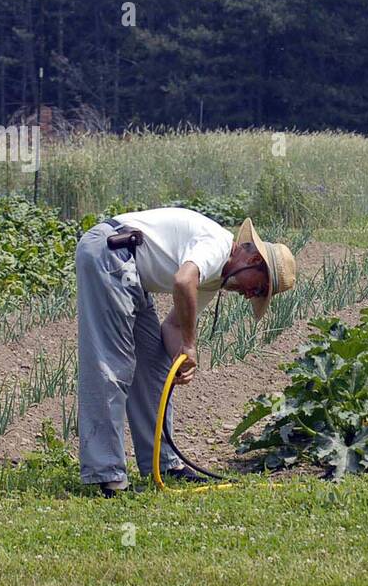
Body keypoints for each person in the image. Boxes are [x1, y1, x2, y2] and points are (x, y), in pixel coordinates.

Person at [75, 207, 295, 496]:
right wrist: (190, 344)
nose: (249, 296)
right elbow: (182, 280)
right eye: (259, 288)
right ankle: (107, 476)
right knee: (111, 367)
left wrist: (181, 358)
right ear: (253, 260)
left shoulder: (212, 279)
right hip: (110, 252)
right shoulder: (216, 245)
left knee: (154, 366)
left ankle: (164, 463)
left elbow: (173, 327)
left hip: (129, 269)